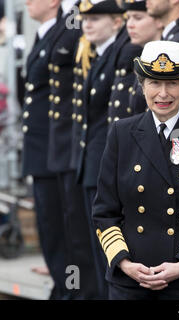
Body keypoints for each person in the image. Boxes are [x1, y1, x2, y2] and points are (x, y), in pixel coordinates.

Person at [92, 40, 179, 300]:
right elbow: (104, 211)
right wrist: (125, 264)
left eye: (173, 84)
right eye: (154, 83)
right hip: (131, 279)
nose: (163, 94)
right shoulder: (121, 133)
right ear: (142, 85)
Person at [46, 0, 99, 299]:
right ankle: (73, 290)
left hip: (78, 145)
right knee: (71, 234)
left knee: (81, 236)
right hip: (69, 145)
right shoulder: (68, 17)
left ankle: (81, 291)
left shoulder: (78, 16)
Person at [76, 0, 127, 299]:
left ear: (116, 22)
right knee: (96, 249)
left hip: (103, 163)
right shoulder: (100, 55)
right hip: (91, 161)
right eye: (85, 19)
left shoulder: (117, 53)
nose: (88, 24)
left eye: (97, 18)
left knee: (108, 247)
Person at [22, 0, 67, 300]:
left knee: (60, 229)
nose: (26, 2)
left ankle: (68, 288)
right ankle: (61, 284)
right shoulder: (44, 35)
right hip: (40, 150)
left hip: (54, 151)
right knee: (49, 227)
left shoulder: (63, 35)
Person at [124, 0, 163, 115]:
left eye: (138, 18)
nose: (130, 24)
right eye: (128, 18)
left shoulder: (163, 60)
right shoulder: (144, 55)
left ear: (159, 21)